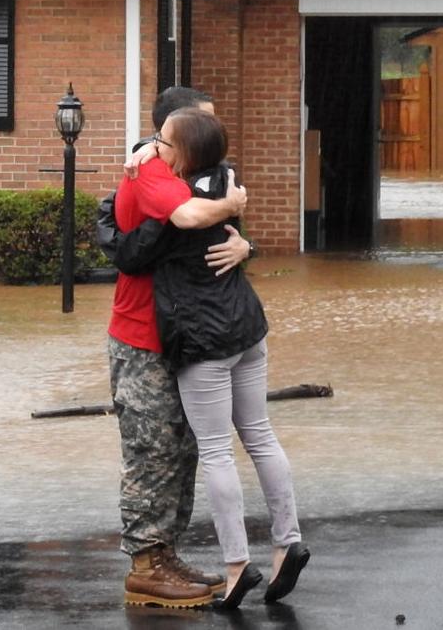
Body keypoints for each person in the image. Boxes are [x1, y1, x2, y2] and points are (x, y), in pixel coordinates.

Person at [117, 108, 309, 610]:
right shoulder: (228, 177)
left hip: (202, 336)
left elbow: (179, 219)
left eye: (161, 140)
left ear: (179, 152)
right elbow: (215, 209)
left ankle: (236, 565)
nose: (152, 145)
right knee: (261, 434)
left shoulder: (173, 192)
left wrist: (231, 224)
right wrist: (236, 215)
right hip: (246, 325)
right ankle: (288, 543)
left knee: (217, 451)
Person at [103, 88, 253, 609]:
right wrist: (232, 204)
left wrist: (244, 241)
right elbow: (189, 219)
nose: (213, 138)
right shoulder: (149, 173)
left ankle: (166, 553)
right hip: (141, 337)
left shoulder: (193, 175)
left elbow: (216, 234)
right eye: (200, 127)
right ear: (168, 136)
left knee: (184, 448)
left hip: (185, 335)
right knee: (150, 449)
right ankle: (146, 564)